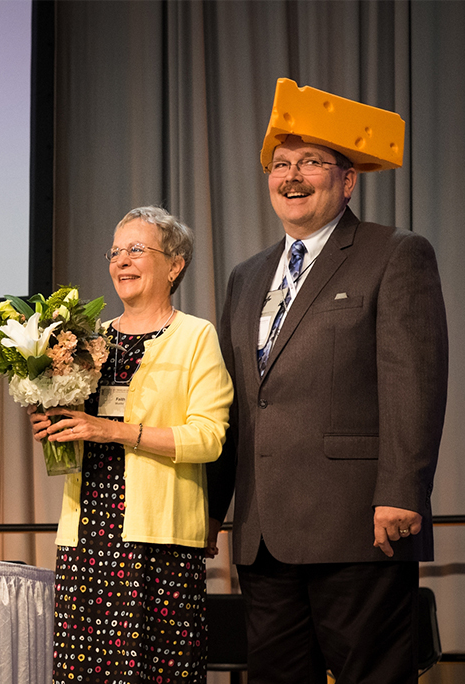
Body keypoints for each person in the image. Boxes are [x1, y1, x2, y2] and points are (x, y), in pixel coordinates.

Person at [208, 81, 448, 683]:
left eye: (311, 162)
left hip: (358, 524)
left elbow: (414, 381)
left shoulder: (395, 253)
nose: (292, 177)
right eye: (280, 164)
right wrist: (212, 509)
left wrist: (403, 490)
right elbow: (236, 402)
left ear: (347, 181)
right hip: (263, 533)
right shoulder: (246, 275)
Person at [29, 206, 233, 683]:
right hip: (88, 536)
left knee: (155, 672)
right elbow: (81, 428)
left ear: (175, 265)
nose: (121, 261)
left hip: (159, 539)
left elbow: (209, 438)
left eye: (136, 250)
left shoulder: (195, 336)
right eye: (115, 252)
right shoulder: (88, 341)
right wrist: (55, 424)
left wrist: (114, 431)